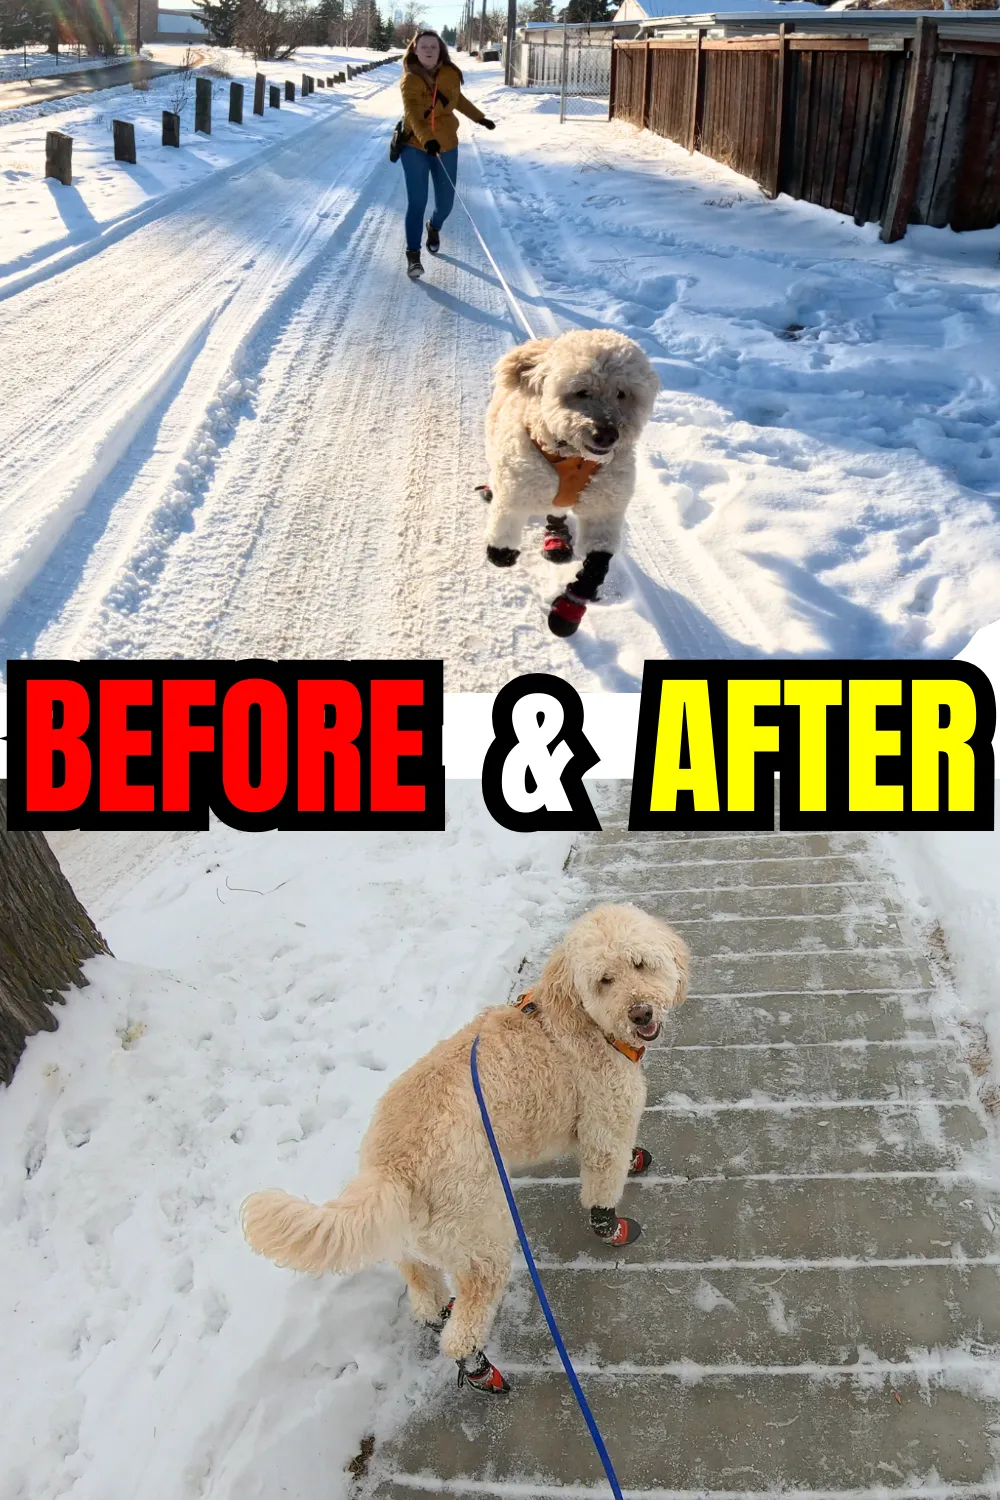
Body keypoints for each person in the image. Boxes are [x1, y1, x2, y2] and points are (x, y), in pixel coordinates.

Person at [398, 30, 496, 279]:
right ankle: (413, 256)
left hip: (447, 144)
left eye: (434, 46)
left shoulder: (450, 74)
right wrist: (427, 140)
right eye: (424, 46)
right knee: (417, 202)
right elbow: (411, 114)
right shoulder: (410, 79)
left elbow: (457, 99)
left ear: (440, 49)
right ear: (415, 50)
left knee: (446, 204)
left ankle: (434, 226)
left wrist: (480, 118)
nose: (429, 50)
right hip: (416, 146)